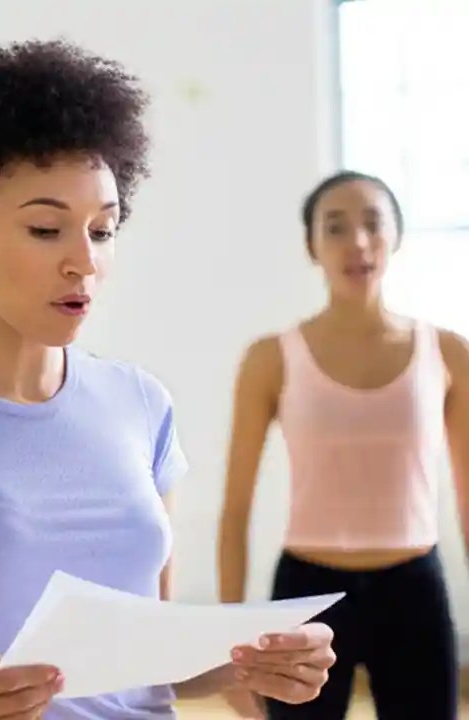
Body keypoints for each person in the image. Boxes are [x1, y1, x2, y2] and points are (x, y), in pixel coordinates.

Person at [0, 39, 337, 720]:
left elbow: (146, 660)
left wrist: (250, 663)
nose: (84, 262)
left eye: (102, 230)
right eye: (47, 229)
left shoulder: (142, 405)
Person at [218, 170, 466, 719]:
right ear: (312, 246)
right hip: (308, 592)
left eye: (373, 223)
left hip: (414, 589)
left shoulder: (448, 353)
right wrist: (228, 643)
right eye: (335, 227)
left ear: (396, 236)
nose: (357, 241)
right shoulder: (270, 358)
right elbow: (235, 509)